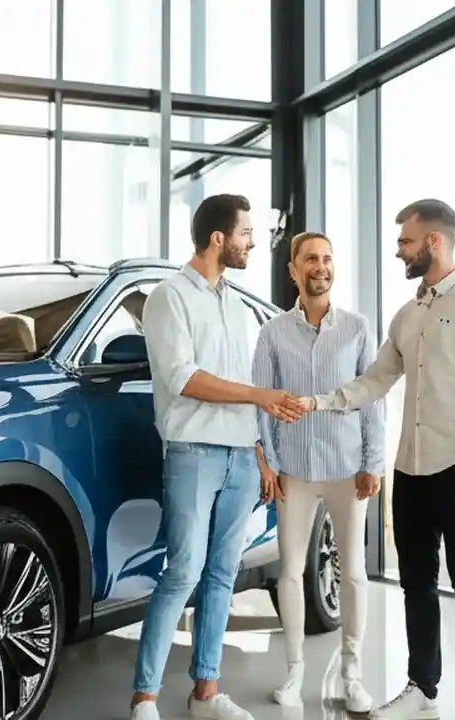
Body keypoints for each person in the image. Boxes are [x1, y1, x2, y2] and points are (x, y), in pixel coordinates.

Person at [299, 199, 455, 720]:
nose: (399, 252)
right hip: (410, 469)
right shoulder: (406, 315)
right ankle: (422, 687)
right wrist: (319, 402)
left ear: (433, 241)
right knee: (415, 583)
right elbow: (376, 380)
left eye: (405, 242)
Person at [129, 193, 308, 720]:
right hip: (193, 452)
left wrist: (260, 452)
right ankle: (144, 699)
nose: (252, 242)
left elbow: (242, 382)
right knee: (183, 572)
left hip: (241, 458)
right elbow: (182, 377)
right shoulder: (170, 297)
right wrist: (259, 397)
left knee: (222, 576)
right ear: (218, 238)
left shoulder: (235, 305)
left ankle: (205, 693)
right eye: (246, 233)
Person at [251, 231, 383, 713]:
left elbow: (372, 398)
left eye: (327, 259)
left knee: (354, 573)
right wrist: (268, 461)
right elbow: (261, 404)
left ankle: (352, 674)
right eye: (310, 259)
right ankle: (293, 673)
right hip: (295, 470)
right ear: (293, 270)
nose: (321, 267)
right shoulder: (272, 333)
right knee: (290, 572)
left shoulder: (358, 329)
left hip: (348, 469)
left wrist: (373, 462)